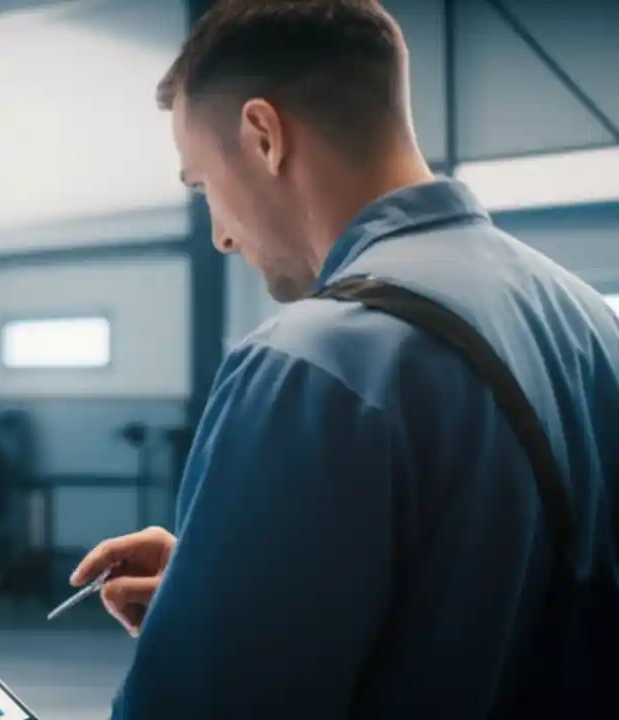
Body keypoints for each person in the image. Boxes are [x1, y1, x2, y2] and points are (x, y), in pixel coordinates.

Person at [71, 0, 619, 716]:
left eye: (204, 185)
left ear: (264, 136)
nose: (221, 237)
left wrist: (203, 644)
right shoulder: (585, 322)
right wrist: (224, 589)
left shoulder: (314, 364)